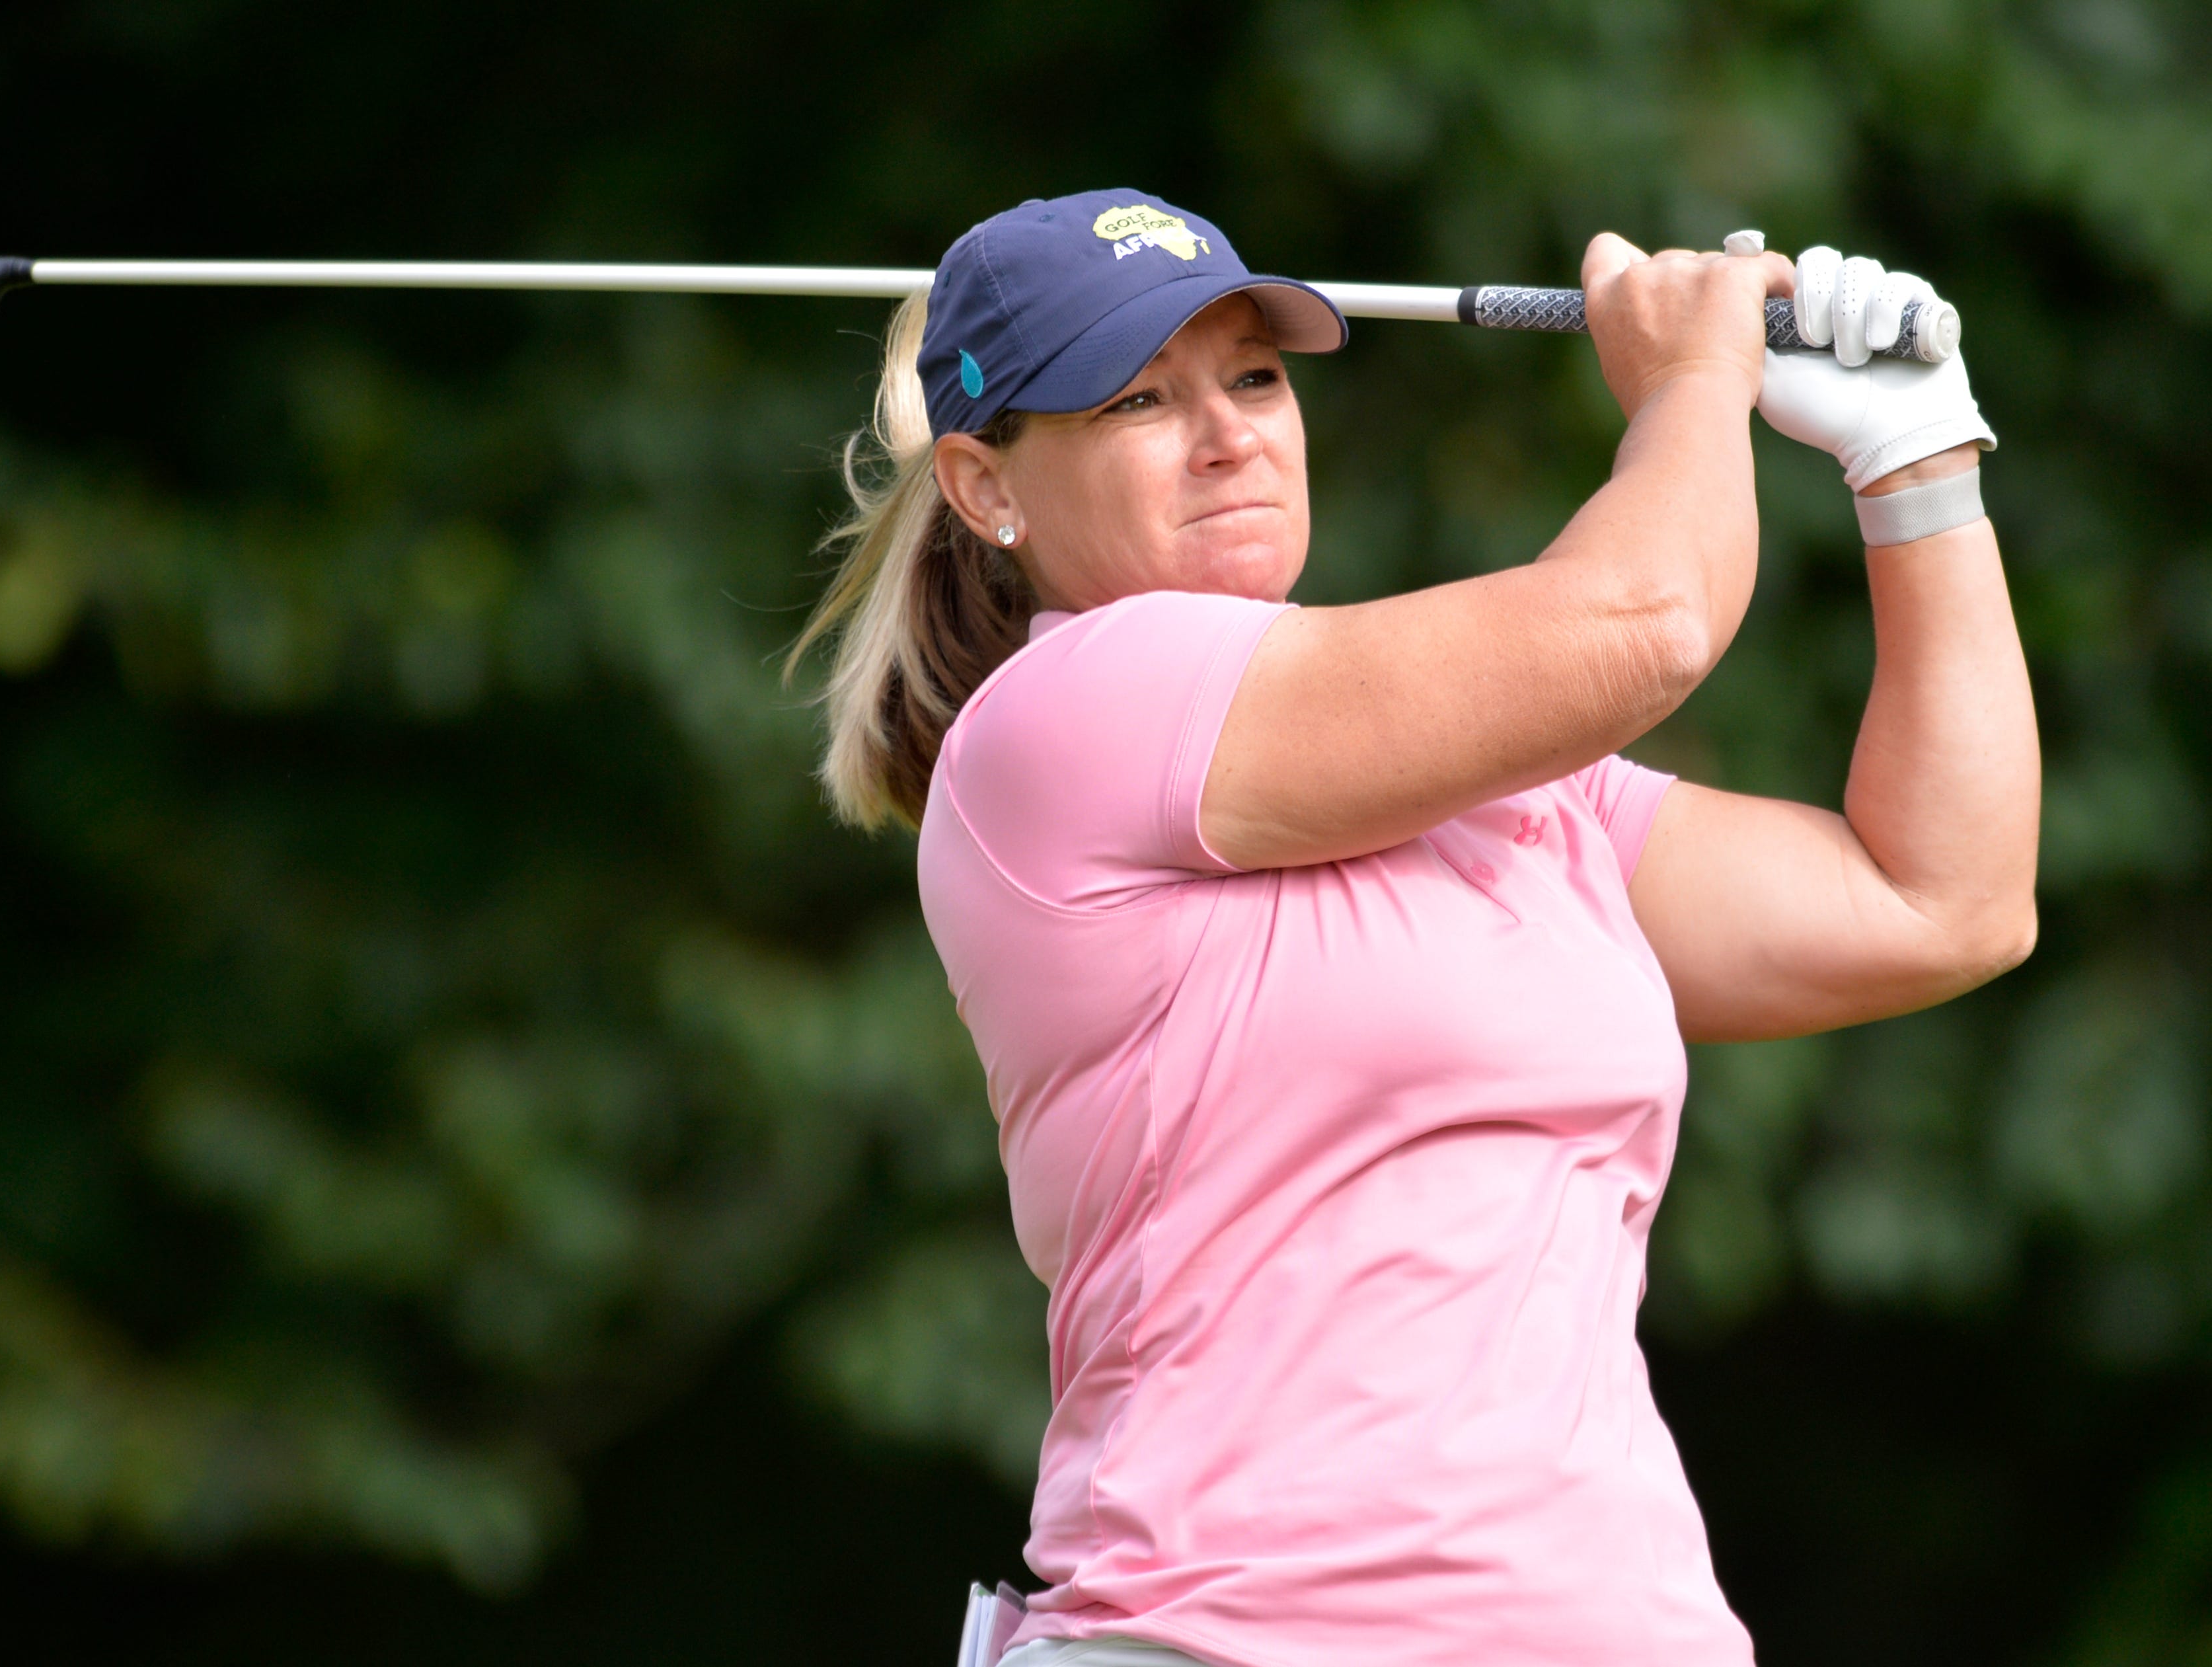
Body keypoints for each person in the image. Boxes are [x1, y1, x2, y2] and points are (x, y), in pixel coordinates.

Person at [788, 190, 2038, 1667]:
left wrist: (1915, 462)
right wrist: (1694, 378)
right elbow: (1645, 622)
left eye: (1255, 377)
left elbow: (1937, 901)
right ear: (985, 485)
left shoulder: (1519, 796)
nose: (1228, 434)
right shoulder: (1061, 717)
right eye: (1138, 400)